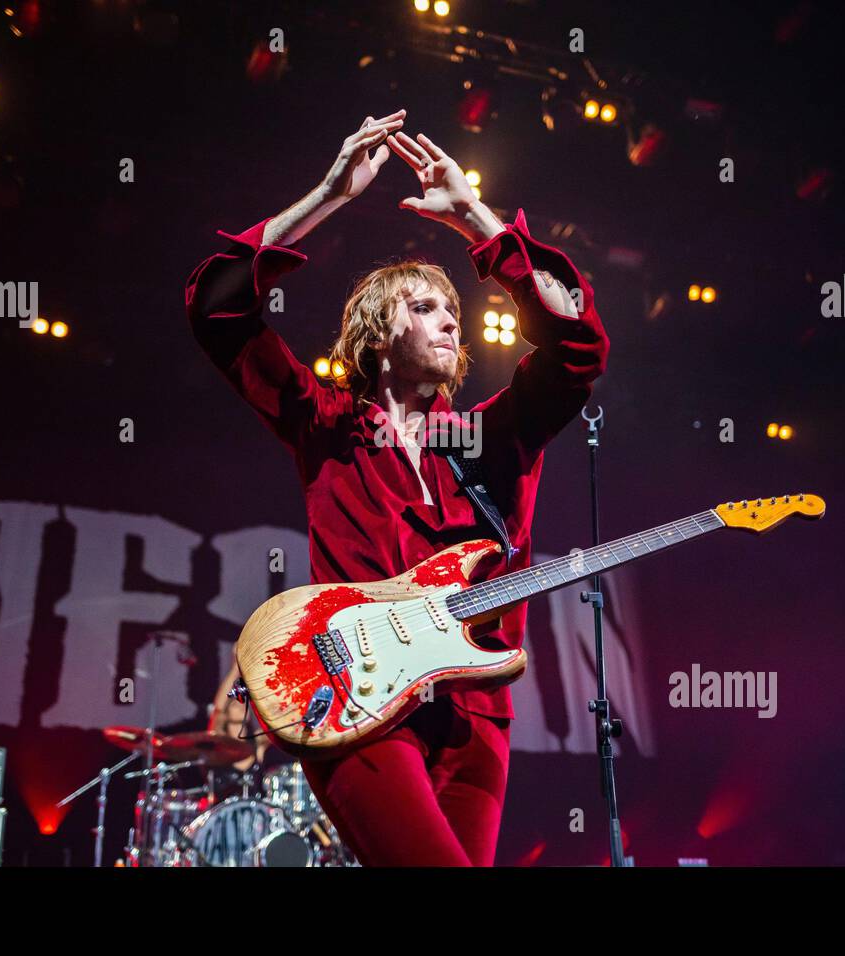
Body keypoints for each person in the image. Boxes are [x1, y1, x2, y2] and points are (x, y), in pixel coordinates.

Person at [185, 109, 609, 865]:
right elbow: (217, 307)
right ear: (378, 336)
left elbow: (577, 343)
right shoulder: (327, 426)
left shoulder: (492, 439)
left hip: (478, 714)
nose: (451, 323)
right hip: (353, 699)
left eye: (454, 309)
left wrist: (477, 218)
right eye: (424, 308)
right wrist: (328, 195)